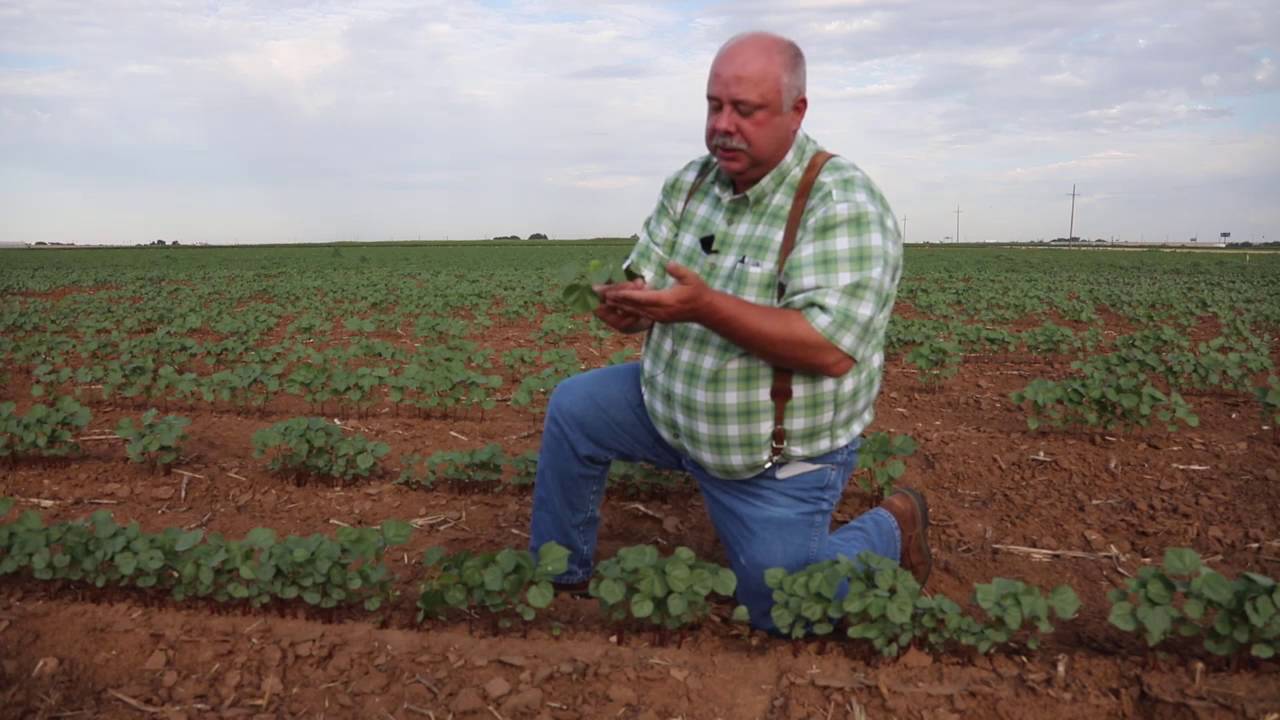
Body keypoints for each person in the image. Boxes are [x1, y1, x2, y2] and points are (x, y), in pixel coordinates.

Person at [529, 31, 928, 630]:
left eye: (746, 110)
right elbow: (647, 278)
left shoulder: (841, 204)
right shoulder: (691, 185)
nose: (723, 125)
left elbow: (831, 349)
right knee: (575, 408)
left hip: (772, 453)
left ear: (796, 111)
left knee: (782, 606)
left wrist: (705, 307)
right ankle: (560, 574)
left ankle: (892, 529)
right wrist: (629, 307)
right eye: (714, 105)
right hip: (668, 411)